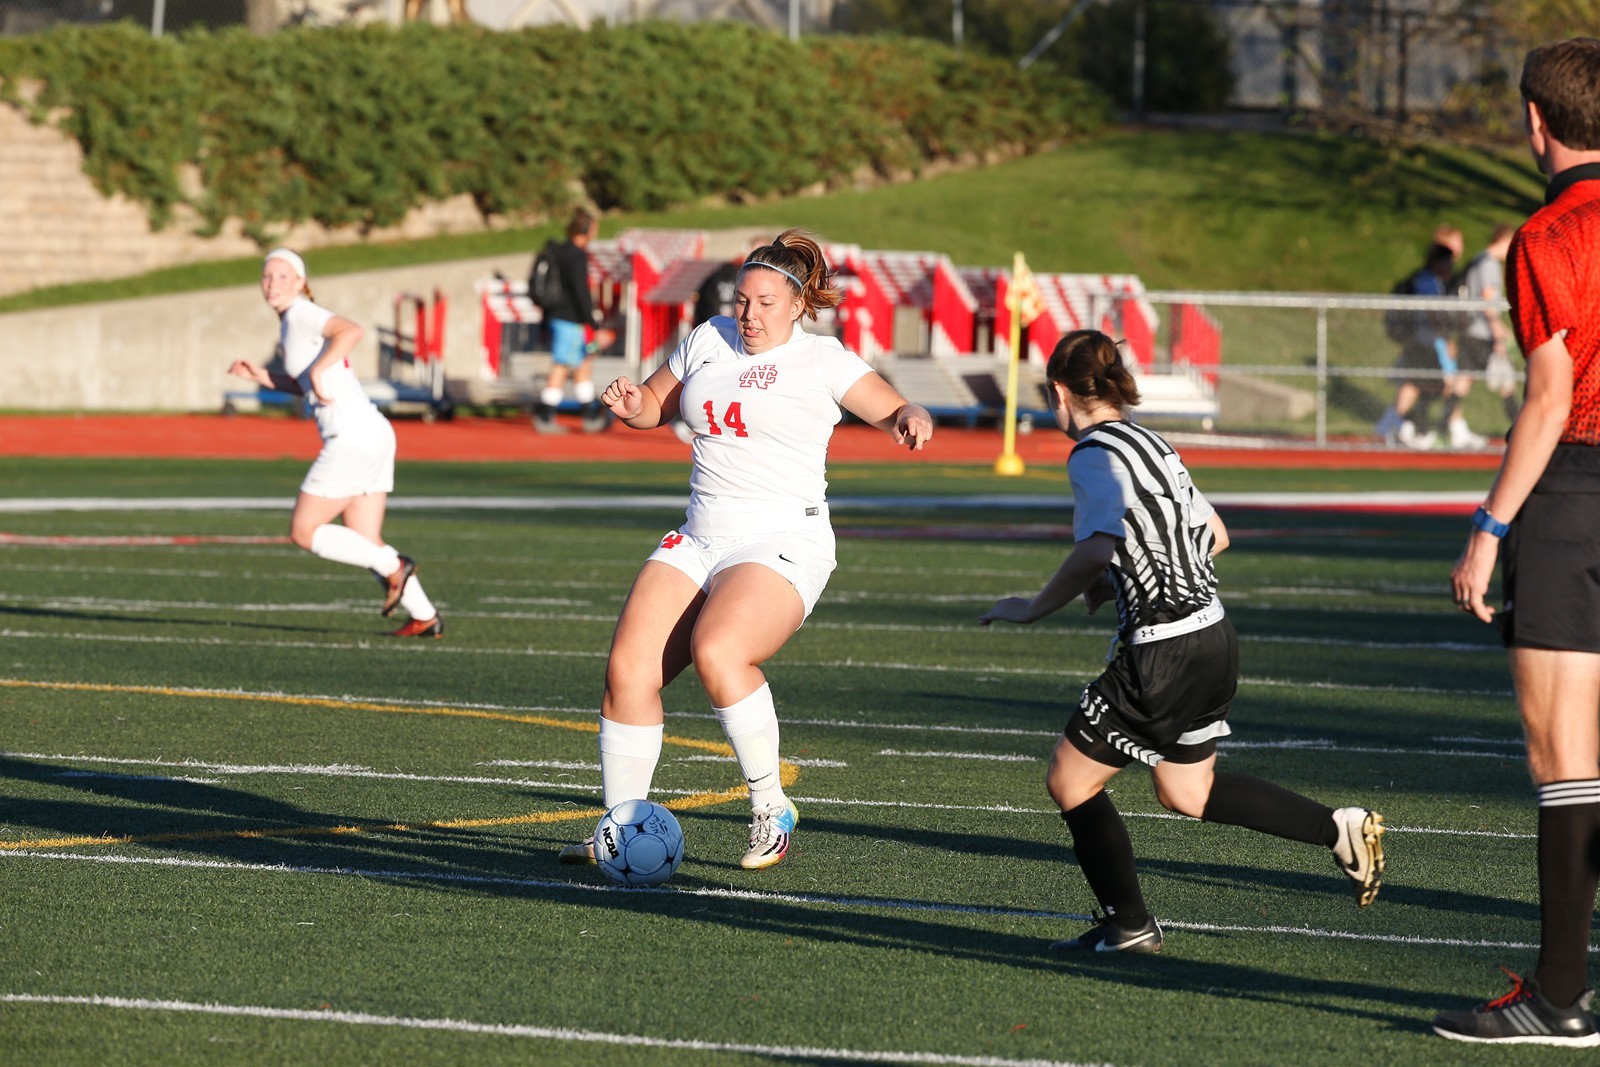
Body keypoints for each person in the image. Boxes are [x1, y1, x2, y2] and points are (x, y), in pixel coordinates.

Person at [980, 329, 1385, 954]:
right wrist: (1126, 575)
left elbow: (1095, 546)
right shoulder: (1154, 442)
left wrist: (1033, 607)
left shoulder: (1091, 452)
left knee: (1070, 782)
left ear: (1059, 392)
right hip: (1214, 635)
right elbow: (1215, 535)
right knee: (1186, 790)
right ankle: (1337, 828)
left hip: (1162, 649)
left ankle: (1129, 926)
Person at [557, 229, 933, 870]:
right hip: (701, 535)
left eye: (764, 303)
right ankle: (619, 829)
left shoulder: (824, 359)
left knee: (720, 649)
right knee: (627, 673)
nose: (749, 314)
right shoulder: (708, 338)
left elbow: (895, 404)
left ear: (796, 305)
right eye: (742, 301)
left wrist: (909, 416)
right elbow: (654, 406)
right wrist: (632, 404)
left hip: (784, 538)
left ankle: (769, 806)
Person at [1440, 37, 1600, 1048]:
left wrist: (1487, 530)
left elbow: (1546, 400)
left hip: (1573, 492)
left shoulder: (1545, 235)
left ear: (1533, 122)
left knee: (1566, 758)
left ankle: (1558, 993)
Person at [227, 248, 443, 639]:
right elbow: (308, 381)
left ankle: (396, 568)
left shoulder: (302, 313)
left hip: (351, 437)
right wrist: (264, 376)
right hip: (372, 430)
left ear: (300, 282)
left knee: (304, 531)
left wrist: (322, 367)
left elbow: (351, 331)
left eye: (282, 276)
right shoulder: (291, 324)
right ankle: (425, 615)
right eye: (267, 276)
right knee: (365, 540)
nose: (273, 283)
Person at [1440, 224, 1520, 448]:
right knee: (1507, 383)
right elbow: (1488, 302)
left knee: (1463, 381)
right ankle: (1521, 431)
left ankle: (1440, 428)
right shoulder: (1489, 264)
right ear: (1504, 240)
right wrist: (1498, 336)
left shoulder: (1478, 259)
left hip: (1471, 331)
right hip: (1482, 333)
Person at [532, 208, 610, 434]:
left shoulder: (558, 251)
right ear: (585, 230)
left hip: (558, 317)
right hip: (570, 320)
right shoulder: (576, 255)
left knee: (582, 365)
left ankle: (590, 412)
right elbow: (580, 291)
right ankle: (545, 412)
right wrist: (593, 323)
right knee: (563, 364)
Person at [1375, 240, 1459, 449]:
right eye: (1447, 262)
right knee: (1431, 386)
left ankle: (1393, 426)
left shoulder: (1430, 280)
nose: (1450, 268)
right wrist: (1446, 338)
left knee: (1414, 386)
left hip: (1424, 343)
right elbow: (1432, 314)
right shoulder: (1427, 281)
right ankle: (1413, 429)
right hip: (1423, 343)